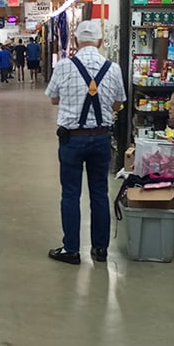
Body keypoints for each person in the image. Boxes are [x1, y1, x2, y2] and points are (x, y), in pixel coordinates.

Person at [45, 20, 126, 265]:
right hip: (101, 138)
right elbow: (117, 104)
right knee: (99, 193)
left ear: (76, 42)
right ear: (101, 42)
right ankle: (100, 249)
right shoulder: (113, 68)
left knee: (70, 193)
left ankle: (71, 249)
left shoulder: (64, 66)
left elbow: (53, 99)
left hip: (72, 139)